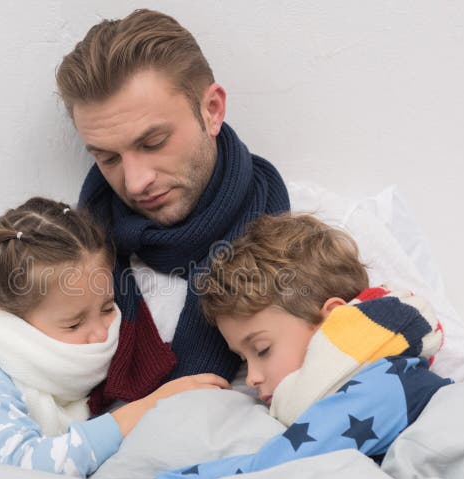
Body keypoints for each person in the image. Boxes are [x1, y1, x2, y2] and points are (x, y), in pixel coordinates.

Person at [0, 197, 229, 478]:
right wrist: (146, 407)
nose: (101, 333)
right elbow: (26, 467)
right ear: (9, 320)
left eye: (107, 307)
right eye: (73, 324)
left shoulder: (70, 371)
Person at [56, 9, 290, 412]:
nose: (134, 182)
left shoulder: (321, 232)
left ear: (212, 110)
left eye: (153, 143)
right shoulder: (70, 260)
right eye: (108, 158)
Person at [132, 214, 453, 479]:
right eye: (243, 360)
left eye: (262, 349)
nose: (253, 378)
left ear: (333, 320)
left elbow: (274, 470)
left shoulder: (379, 385)